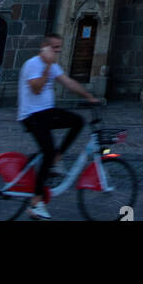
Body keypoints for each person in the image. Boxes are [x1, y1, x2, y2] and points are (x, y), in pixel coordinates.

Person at [17, 31, 99, 219]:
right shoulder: (33, 64)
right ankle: (36, 203)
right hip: (31, 115)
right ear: (44, 47)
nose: (57, 51)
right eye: (54, 47)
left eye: (59, 48)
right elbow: (36, 89)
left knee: (78, 121)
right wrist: (47, 65)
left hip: (46, 113)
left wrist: (89, 97)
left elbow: (68, 83)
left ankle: (57, 157)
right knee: (46, 151)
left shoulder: (52, 66)